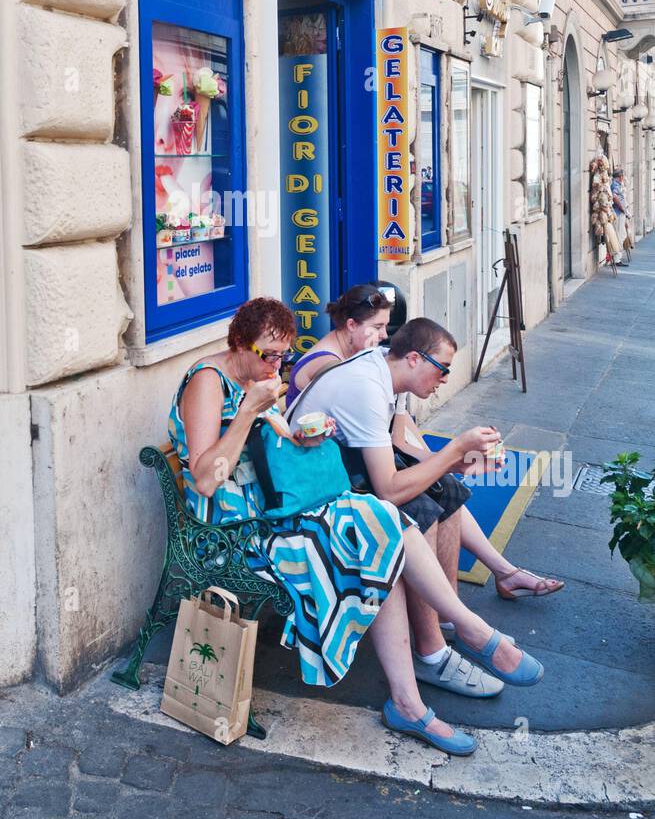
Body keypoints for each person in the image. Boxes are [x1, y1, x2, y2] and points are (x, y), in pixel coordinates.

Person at [169, 297, 544, 757]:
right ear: (237, 341)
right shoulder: (208, 382)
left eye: (283, 355)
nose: (276, 363)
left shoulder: (257, 377)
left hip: (275, 506)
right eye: (267, 353)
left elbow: (275, 449)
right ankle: (459, 645)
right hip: (233, 527)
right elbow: (206, 480)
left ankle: (428, 676)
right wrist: (249, 411)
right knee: (370, 531)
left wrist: (306, 434)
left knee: (379, 525)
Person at [291, 317, 564, 695]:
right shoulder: (368, 387)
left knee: (446, 491)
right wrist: (454, 449)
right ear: (415, 359)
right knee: (419, 511)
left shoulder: (390, 373)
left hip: (344, 469)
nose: (446, 379)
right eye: (443, 369)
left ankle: (445, 618)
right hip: (312, 490)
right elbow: (388, 489)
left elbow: (407, 451)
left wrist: (460, 462)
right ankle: (431, 652)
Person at [284, 285, 394, 410]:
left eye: (385, 326)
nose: (384, 335)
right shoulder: (329, 364)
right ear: (351, 325)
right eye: (377, 327)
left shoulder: (345, 349)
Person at [612, 167, 630, 265]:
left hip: (620, 213)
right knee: (619, 235)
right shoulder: (615, 184)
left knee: (622, 234)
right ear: (620, 176)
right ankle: (616, 259)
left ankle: (617, 258)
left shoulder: (617, 184)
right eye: (623, 176)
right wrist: (622, 208)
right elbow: (614, 197)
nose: (623, 178)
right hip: (618, 213)